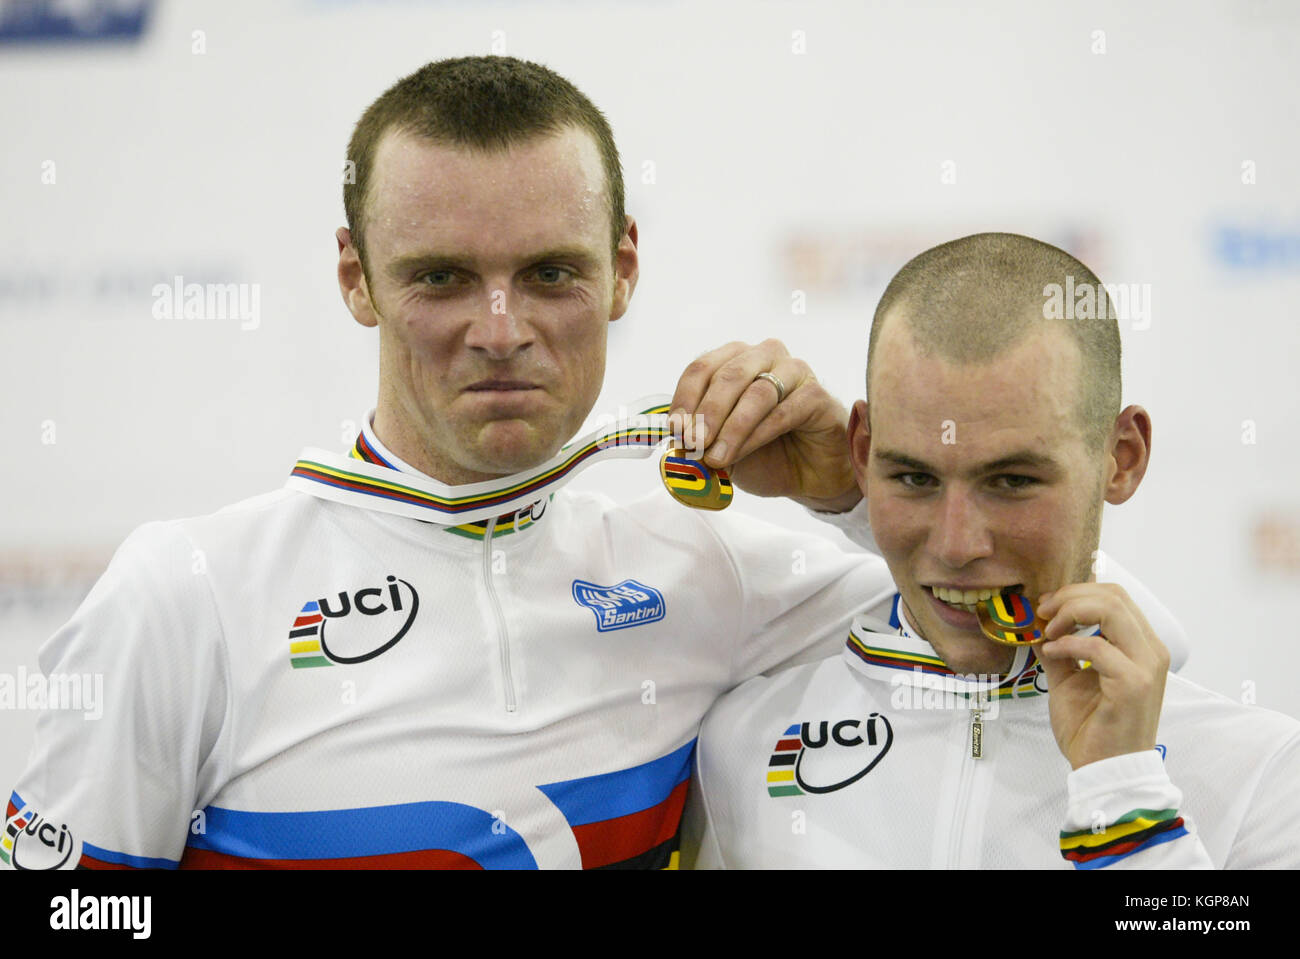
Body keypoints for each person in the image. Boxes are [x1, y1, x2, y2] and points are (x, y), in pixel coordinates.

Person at [2, 61, 1181, 871]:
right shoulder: (189, 594)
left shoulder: (706, 574)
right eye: (440, 277)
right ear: (355, 278)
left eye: (553, 273)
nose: (504, 326)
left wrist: (840, 483)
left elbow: (1082, 633)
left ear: (623, 268)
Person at [684, 232, 1300, 869]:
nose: (956, 546)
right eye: (915, 478)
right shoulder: (742, 745)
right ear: (861, 453)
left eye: (1012, 482)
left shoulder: (1265, 775)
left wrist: (1126, 799)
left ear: (1122, 459)